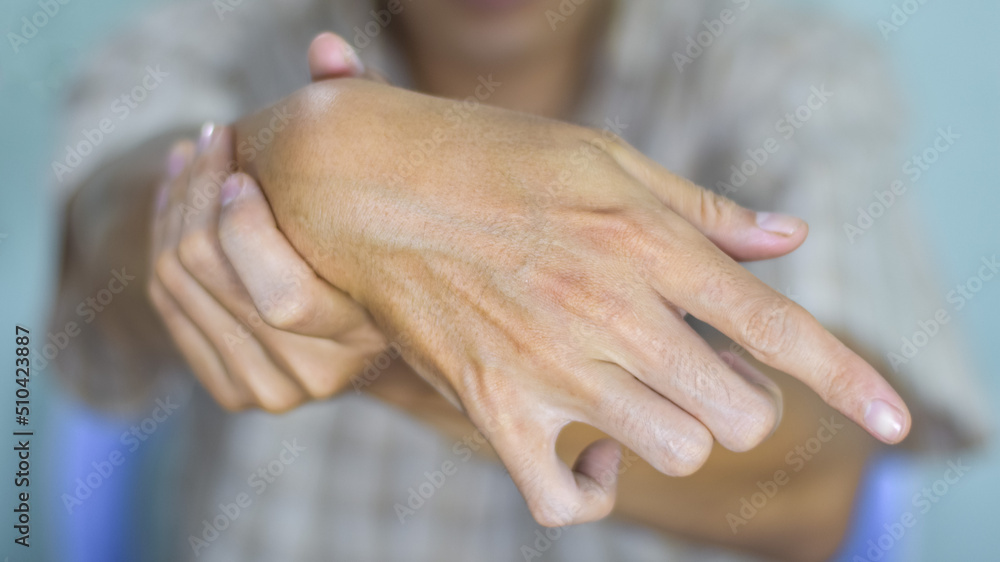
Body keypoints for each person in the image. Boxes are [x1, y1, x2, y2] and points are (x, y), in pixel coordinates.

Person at [50, 1, 987, 560]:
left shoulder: (782, 65)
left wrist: (388, 327)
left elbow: (811, 491)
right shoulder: (228, 28)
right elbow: (100, 237)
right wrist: (290, 158)